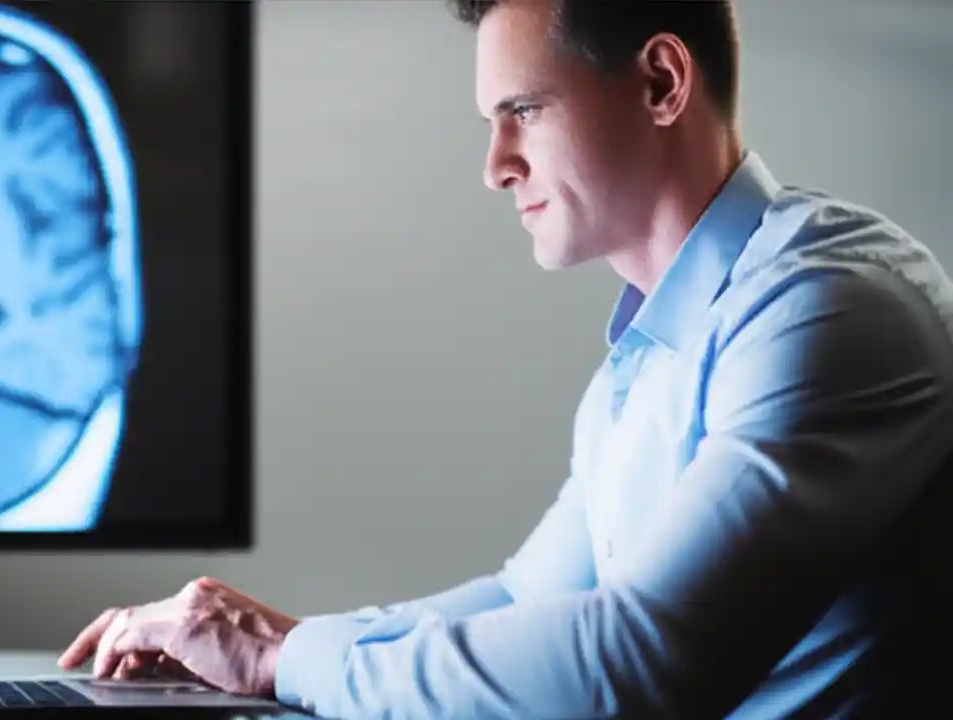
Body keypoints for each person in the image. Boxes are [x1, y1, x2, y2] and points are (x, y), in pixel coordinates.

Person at [58, 0, 953, 717]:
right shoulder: (642, 362)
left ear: (661, 81)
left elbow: (640, 666)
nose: (495, 165)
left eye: (522, 110)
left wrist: (281, 660)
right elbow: (523, 601)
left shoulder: (827, 310)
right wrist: (272, 640)